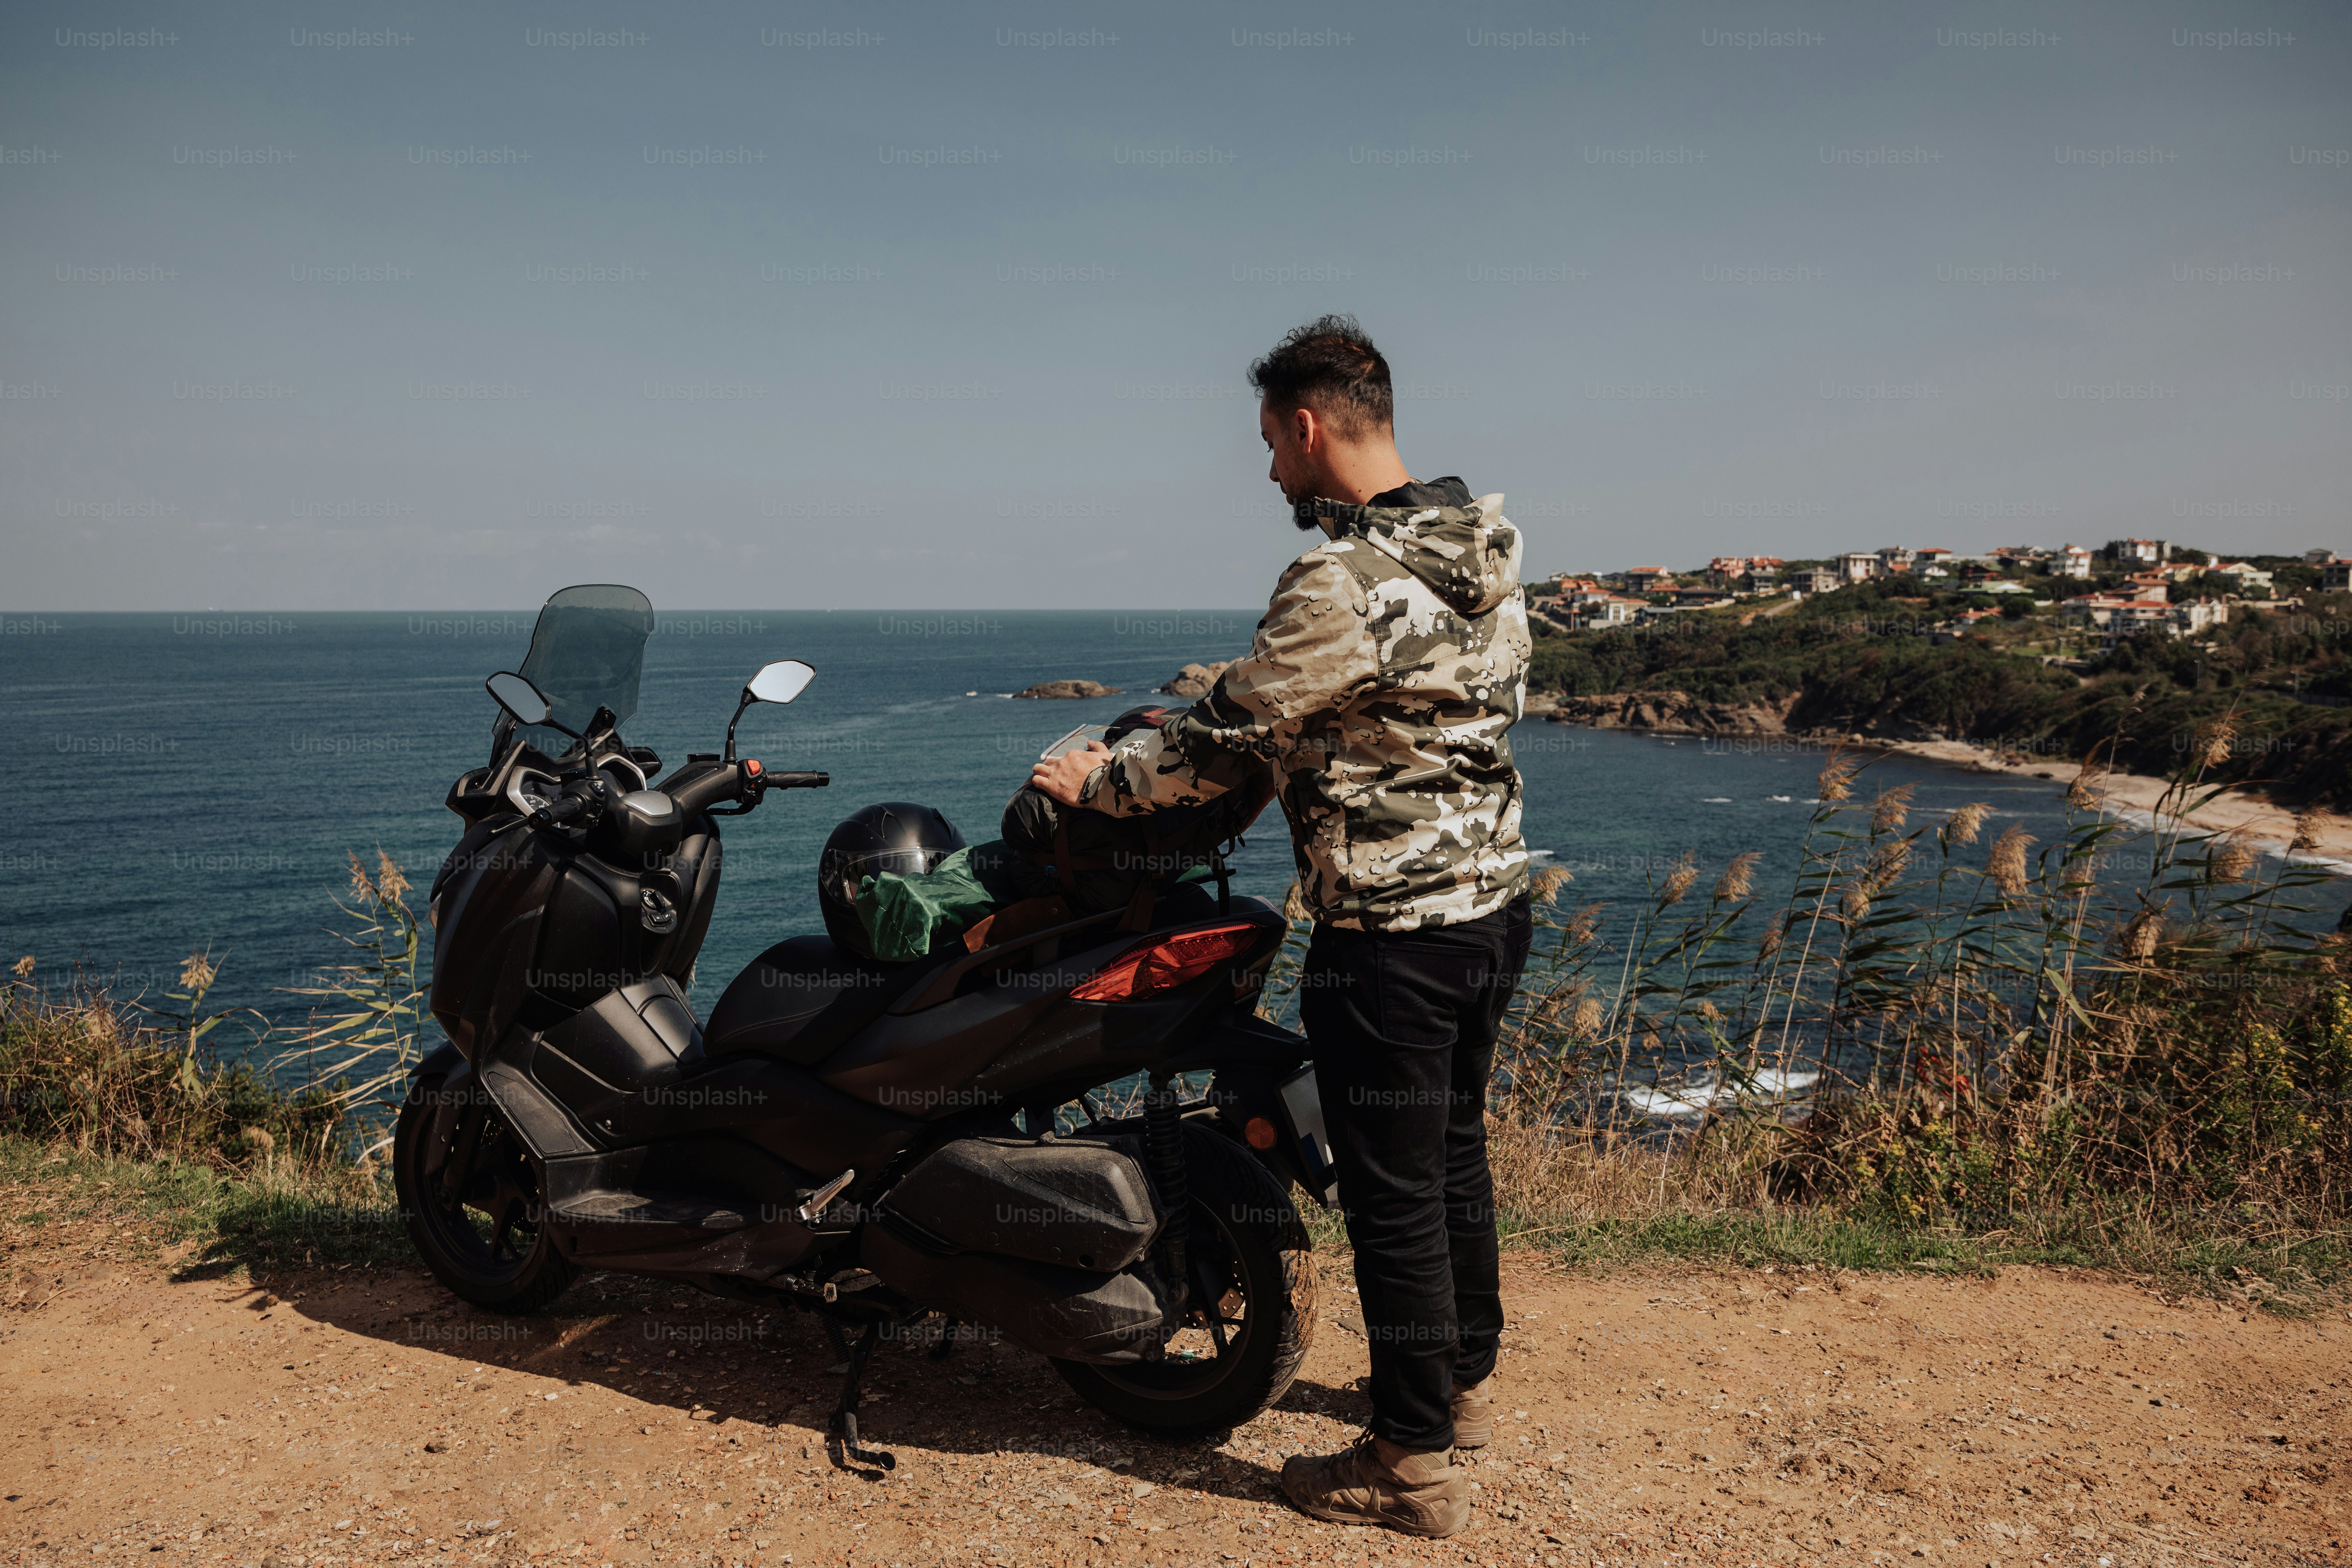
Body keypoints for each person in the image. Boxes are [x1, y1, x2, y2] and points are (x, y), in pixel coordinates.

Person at [1029, 314, 1532, 1539]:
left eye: (1269, 445)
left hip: (1393, 938)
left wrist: (1091, 784)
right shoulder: (1488, 544)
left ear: (1308, 428)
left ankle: (1410, 1465)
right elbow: (1371, 707)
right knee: (1451, 1156)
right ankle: (1456, 1383)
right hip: (1491, 911)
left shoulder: (1339, 579)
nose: (1269, 473)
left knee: (1392, 1196)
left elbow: (1220, 743)